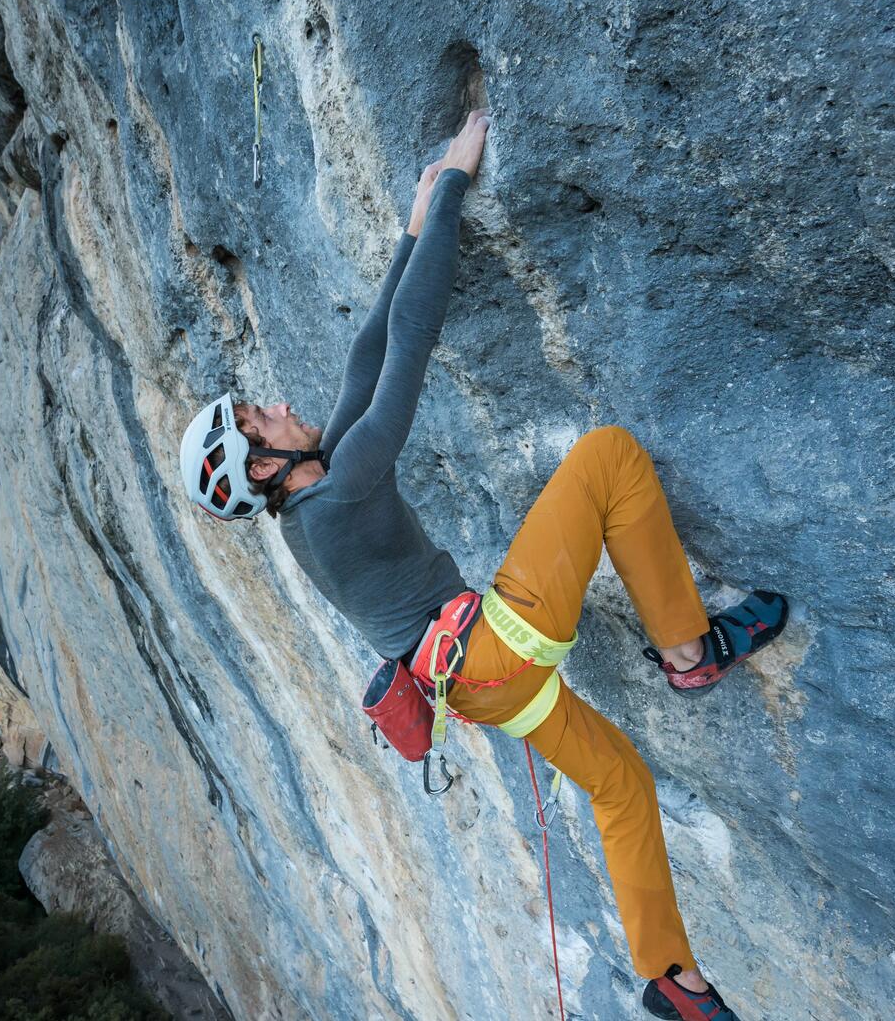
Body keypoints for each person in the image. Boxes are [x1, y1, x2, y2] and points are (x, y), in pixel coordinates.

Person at [178, 108, 787, 1021]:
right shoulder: (335, 495)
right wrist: (457, 177)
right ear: (262, 466)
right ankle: (691, 656)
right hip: (495, 645)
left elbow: (363, 358)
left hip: (476, 688)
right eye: (258, 420)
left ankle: (671, 980)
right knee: (610, 458)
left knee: (620, 780)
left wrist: (415, 223)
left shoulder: (307, 507)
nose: (273, 405)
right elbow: (410, 345)